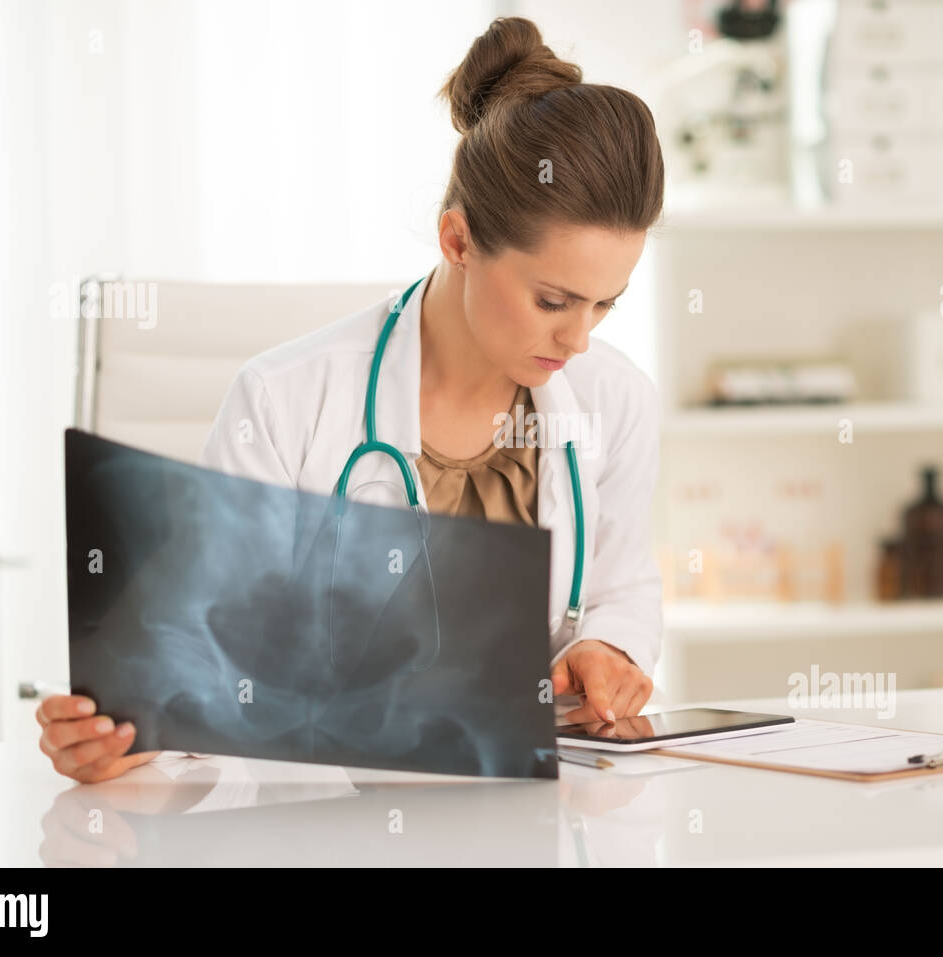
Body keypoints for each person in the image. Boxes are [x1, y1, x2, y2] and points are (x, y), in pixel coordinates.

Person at [40, 15, 665, 783]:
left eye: (605, 305)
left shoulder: (616, 400)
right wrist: (125, 740)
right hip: (316, 820)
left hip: (531, 814)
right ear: (459, 241)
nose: (578, 340)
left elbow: (620, 587)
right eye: (553, 300)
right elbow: (201, 663)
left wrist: (609, 648)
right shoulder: (284, 400)